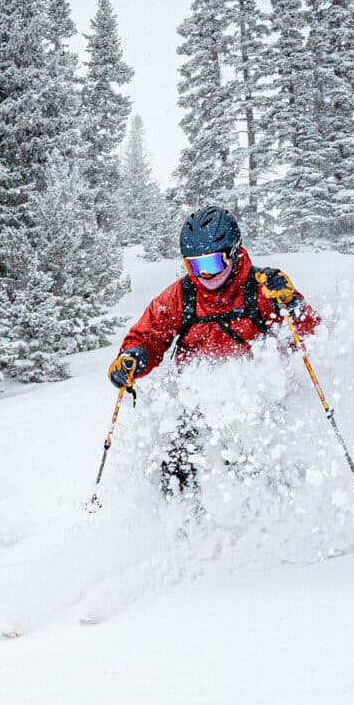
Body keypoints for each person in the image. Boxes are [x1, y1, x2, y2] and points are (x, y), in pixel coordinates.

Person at [107, 205, 322, 496]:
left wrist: (291, 305)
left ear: (233, 253)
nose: (205, 275)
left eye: (213, 263)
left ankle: (278, 510)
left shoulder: (261, 289)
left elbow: (310, 334)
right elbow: (149, 334)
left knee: (259, 458)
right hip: (197, 399)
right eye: (195, 266)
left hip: (258, 399)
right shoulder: (182, 296)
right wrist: (133, 357)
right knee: (177, 456)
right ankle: (180, 520)